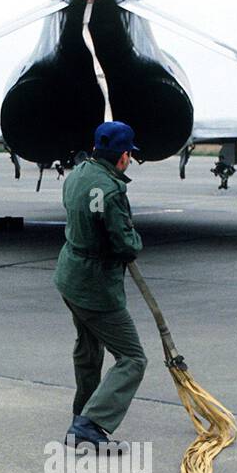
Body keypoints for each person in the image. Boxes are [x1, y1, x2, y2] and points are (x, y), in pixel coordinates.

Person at [54, 120, 147, 451]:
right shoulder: (110, 190)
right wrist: (134, 238)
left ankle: (83, 411)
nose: (129, 161)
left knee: (89, 348)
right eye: (129, 155)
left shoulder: (77, 173)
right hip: (95, 287)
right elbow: (126, 244)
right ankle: (89, 424)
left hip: (70, 278)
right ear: (122, 156)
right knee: (133, 358)